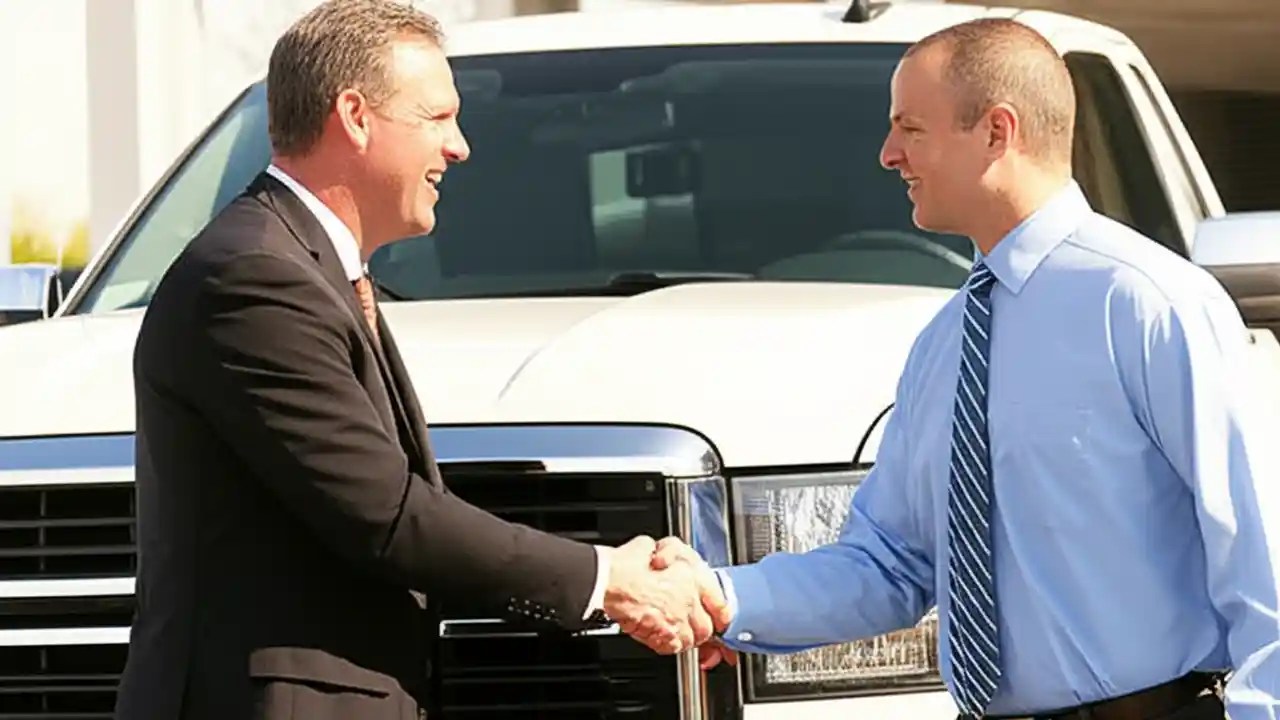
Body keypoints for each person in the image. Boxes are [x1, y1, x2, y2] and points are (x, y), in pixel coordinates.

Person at [114, 2, 727, 718]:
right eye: (437, 118)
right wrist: (610, 580)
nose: (460, 146)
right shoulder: (254, 276)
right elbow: (388, 516)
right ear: (355, 115)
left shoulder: (306, 268)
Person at [654, 17, 1280, 720]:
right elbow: (892, 564)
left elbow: (1263, 550)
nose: (889, 154)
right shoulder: (943, 345)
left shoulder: (1147, 303)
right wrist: (724, 596)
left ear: (996, 132)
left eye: (910, 129)